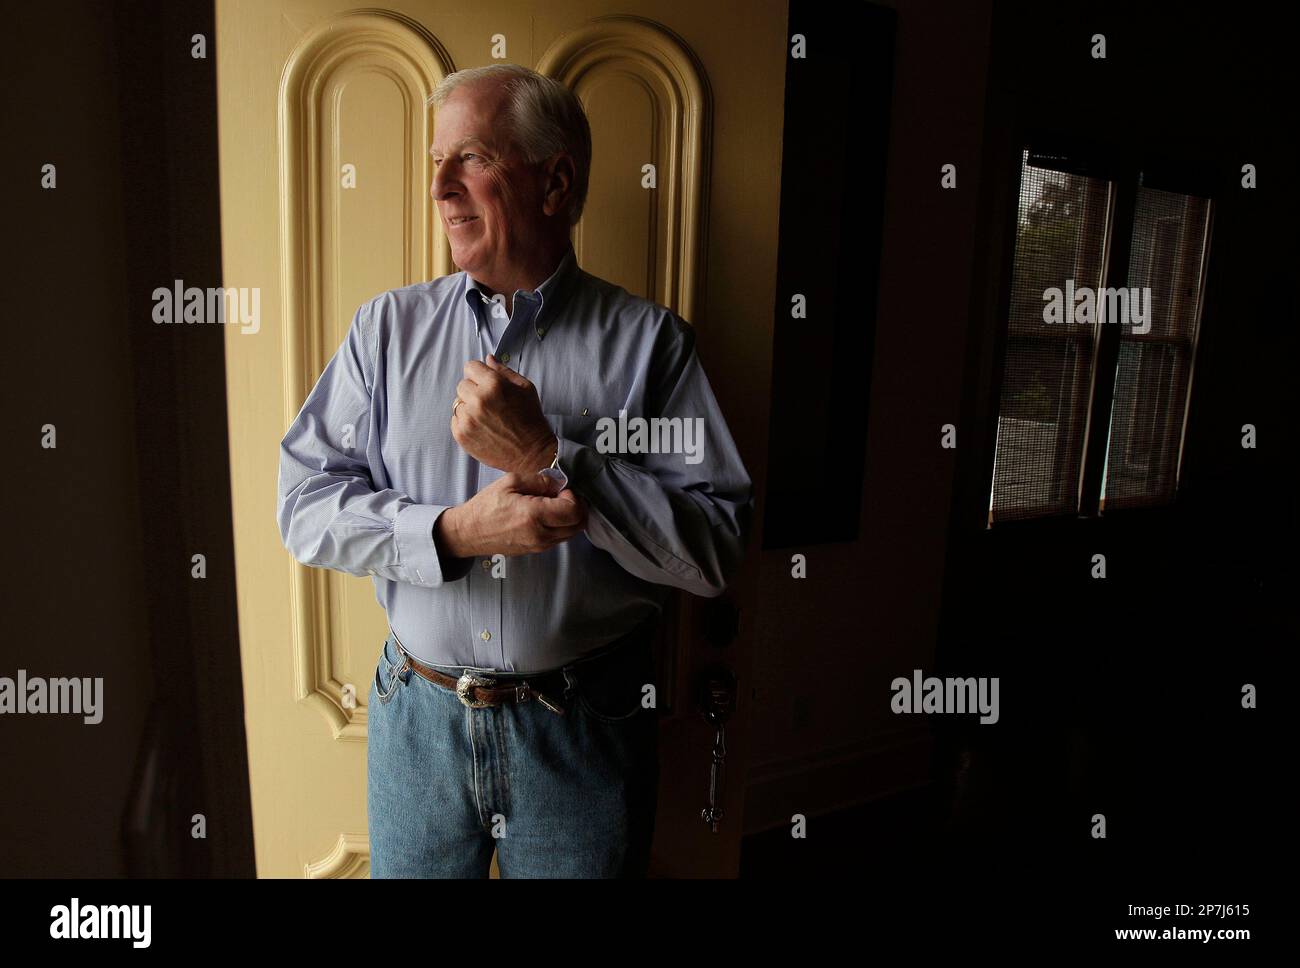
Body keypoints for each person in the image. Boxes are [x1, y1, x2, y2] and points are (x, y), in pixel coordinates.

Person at [276, 62, 752, 878]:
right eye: (436, 163)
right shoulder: (383, 333)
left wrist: (553, 459)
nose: (440, 188)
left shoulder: (653, 345)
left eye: (472, 159)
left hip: (585, 730)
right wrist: (452, 532)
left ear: (555, 181)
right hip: (416, 725)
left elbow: (713, 550)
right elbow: (303, 505)